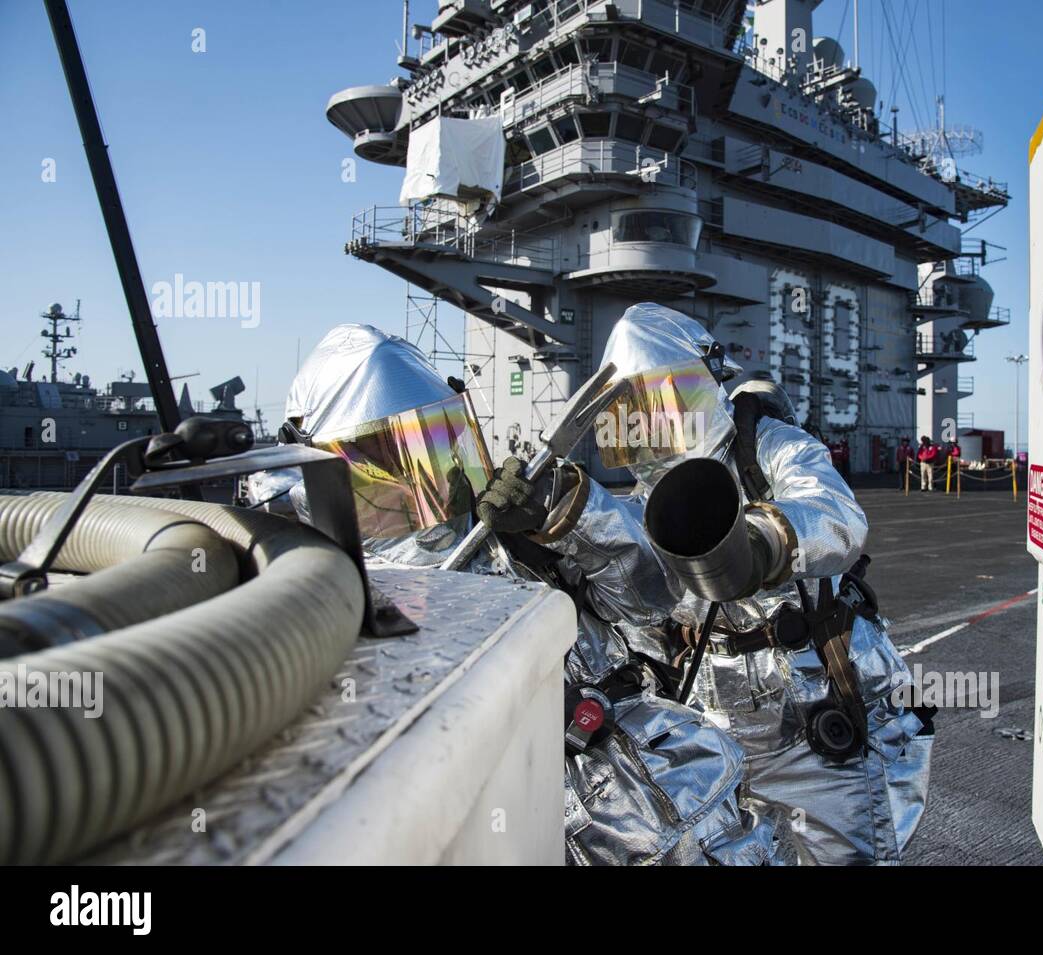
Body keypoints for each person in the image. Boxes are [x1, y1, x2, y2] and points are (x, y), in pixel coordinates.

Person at [253, 324, 795, 866]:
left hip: (700, 802)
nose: (426, 482)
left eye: (437, 447)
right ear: (318, 479)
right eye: (389, 465)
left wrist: (575, 515)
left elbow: (651, 597)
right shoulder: (332, 610)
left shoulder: (517, 534)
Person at [569, 303, 932, 865]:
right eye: (635, 413)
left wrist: (762, 541)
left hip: (816, 722)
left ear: (707, 387)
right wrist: (568, 518)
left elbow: (836, 515)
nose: (656, 425)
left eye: (670, 403)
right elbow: (639, 600)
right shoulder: (644, 502)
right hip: (715, 730)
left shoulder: (768, 446)